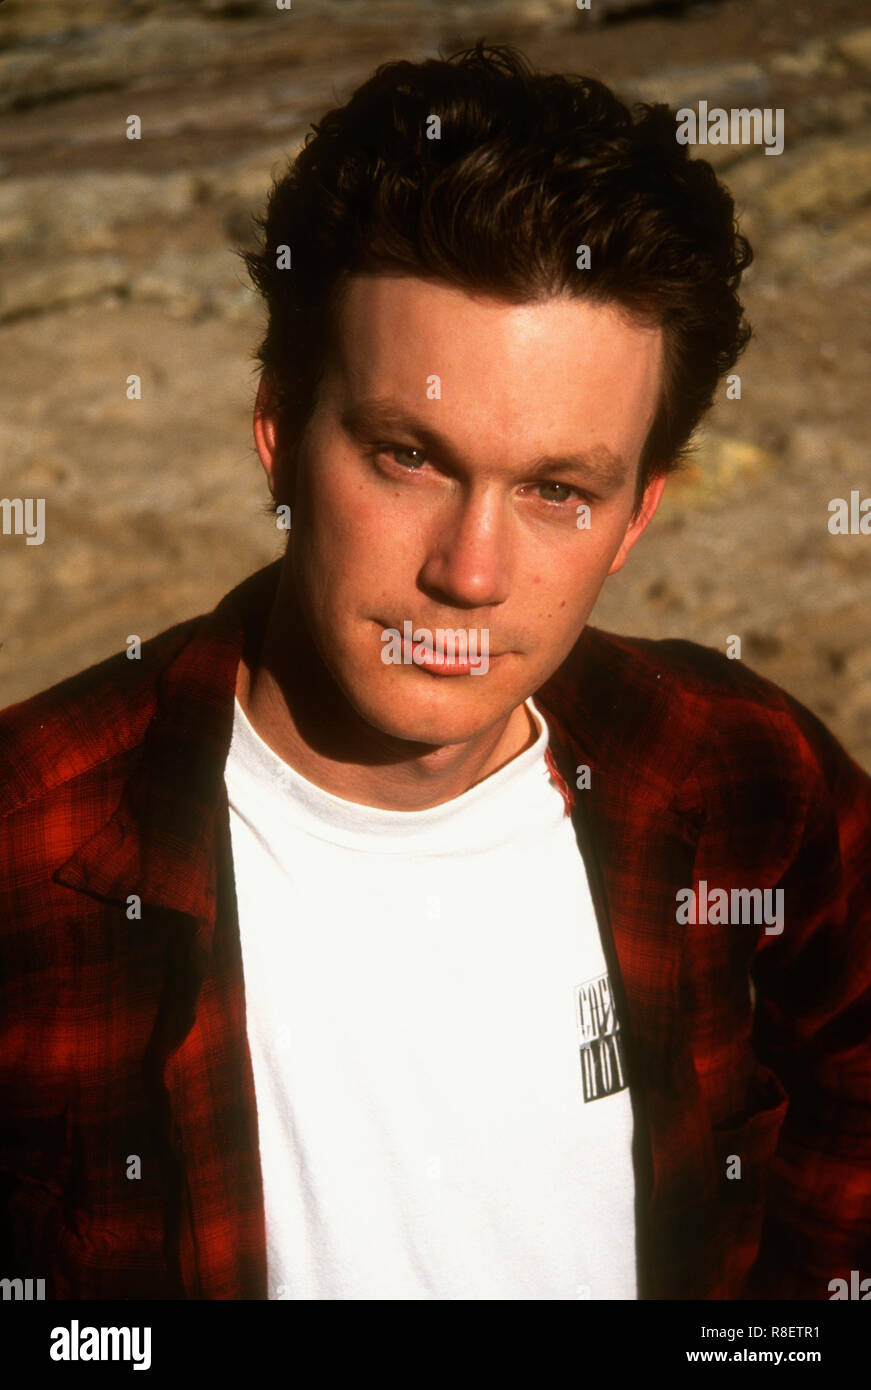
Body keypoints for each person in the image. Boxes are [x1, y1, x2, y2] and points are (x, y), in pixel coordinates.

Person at [1, 42, 869, 1302]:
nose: (470, 573)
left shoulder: (737, 770)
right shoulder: (32, 853)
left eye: (558, 492)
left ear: (635, 519)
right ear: (279, 433)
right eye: (408, 456)